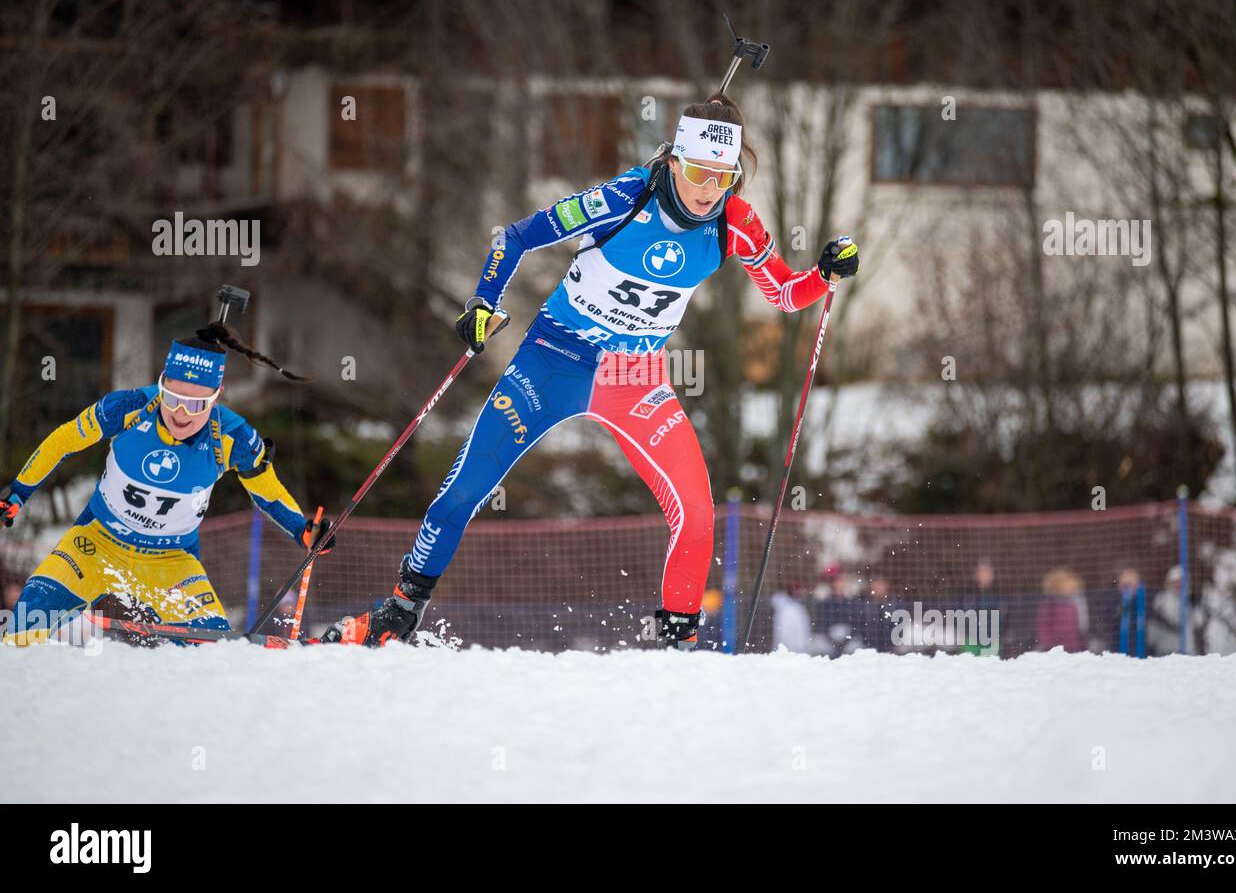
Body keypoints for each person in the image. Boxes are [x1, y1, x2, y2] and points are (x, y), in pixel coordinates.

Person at [324, 93, 859, 649]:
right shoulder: (623, 197)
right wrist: (483, 303)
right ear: (674, 162)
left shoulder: (734, 221)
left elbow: (783, 293)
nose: (708, 190)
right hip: (554, 359)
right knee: (465, 490)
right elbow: (515, 237)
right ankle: (398, 612)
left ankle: (678, 649)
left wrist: (824, 274)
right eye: (698, 171)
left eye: (723, 178)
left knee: (697, 511)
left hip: (635, 376)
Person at [0, 322, 333, 644]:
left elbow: (267, 490)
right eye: (172, 397)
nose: (181, 413)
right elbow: (64, 440)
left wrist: (301, 528)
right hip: (96, 544)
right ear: (161, 385)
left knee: (210, 652)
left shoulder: (233, 438)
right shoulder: (129, 407)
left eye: (197, 404)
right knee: (23, 628)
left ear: (216, 398)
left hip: (170, 561)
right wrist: (19, 490)